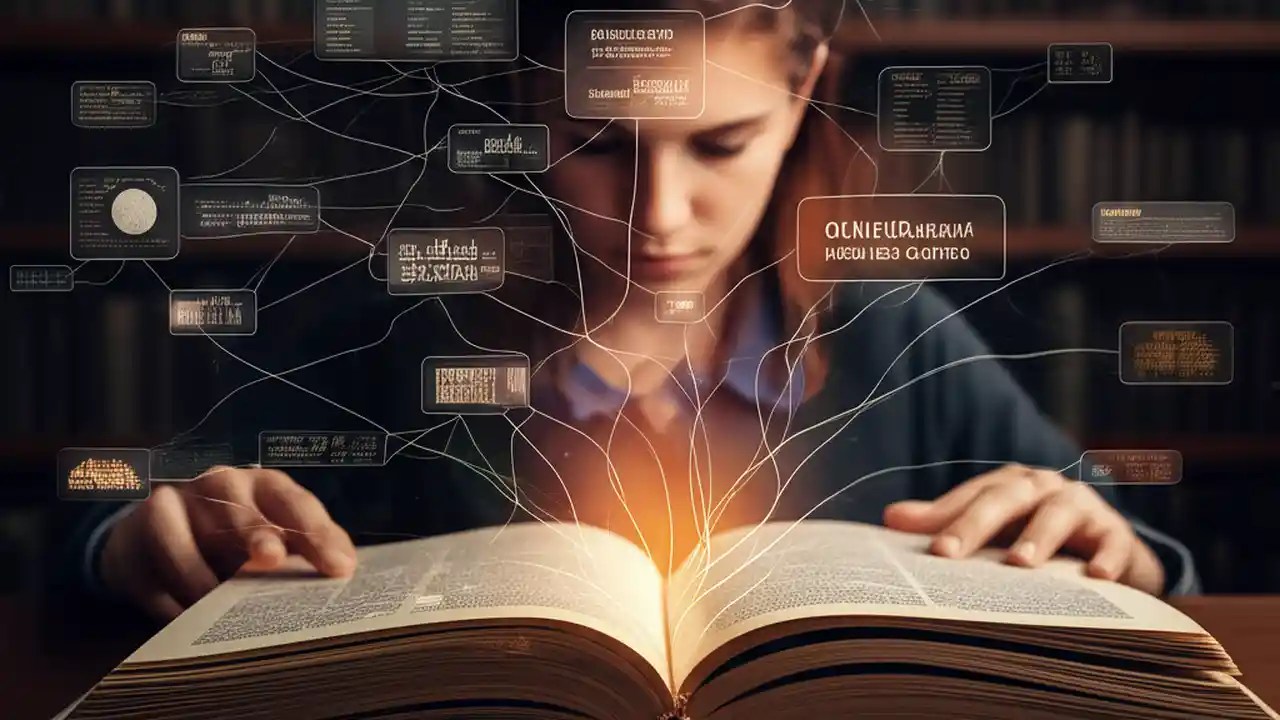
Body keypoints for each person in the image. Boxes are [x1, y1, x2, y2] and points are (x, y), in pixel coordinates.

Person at [64, 0, 1197, 622]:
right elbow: (101, 534)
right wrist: (131, 542)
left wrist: (1120, 555)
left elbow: (1138, 561)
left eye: (720, 143)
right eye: (598, 146)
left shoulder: (893, 332)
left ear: (803, 93)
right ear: (523, 105)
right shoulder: (382, 330)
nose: (659, 217)